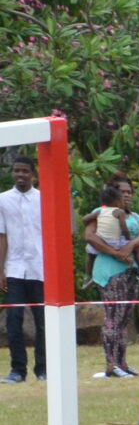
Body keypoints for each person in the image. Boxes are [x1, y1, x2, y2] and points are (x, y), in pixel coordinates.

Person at [85, 174, 139, 379]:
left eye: (130, 191)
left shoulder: (135, 216)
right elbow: (89, 236)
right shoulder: (101, 212)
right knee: (113, 318)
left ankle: (122, 363)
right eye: (123, 192)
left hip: (131, 271)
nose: (127, 195)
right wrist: (116, 253)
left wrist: (129, 246)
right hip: (110, 271)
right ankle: (111, 366)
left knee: (124, 319)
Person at [2, 151, 44, 383]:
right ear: (12, 173)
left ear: (33, 175)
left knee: (43, 321)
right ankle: (18, 370)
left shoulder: (44, 199)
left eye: (25, 171)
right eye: (17, 170)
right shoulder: (3, 200)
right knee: (13, 320)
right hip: (15, 269)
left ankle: (43, 369)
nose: (20, 175)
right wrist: (1, 270)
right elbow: (2, 236)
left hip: (41, 269)